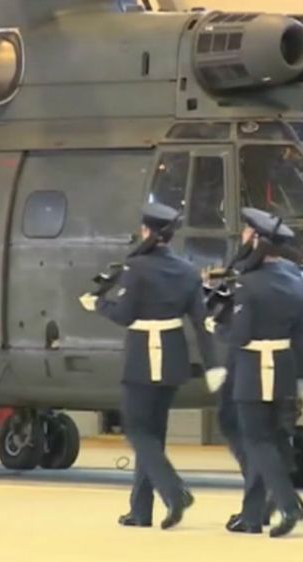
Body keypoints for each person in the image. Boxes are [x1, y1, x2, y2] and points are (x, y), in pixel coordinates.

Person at [79, 202, 224, 530]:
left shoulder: (136, 267)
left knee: (136, 430)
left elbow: (125, 315)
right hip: (172, 356)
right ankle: (140, 510)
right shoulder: (187, 270)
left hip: (143, 355)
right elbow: (200, 322)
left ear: (147, 231)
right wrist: (212, 364)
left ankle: (174, 492)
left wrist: (98, 304)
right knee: (154, 435)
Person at [211, 208, 303, 534]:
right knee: (275, 439)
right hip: (284, 368)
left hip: (254, 369)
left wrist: (215, 323)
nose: (242, 236)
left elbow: (239, 334)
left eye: (246, 233)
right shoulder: (297, 283)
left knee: (256, 439)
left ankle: (287, 504)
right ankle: (253, 514)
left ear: (256, 241)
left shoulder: (247, 284)